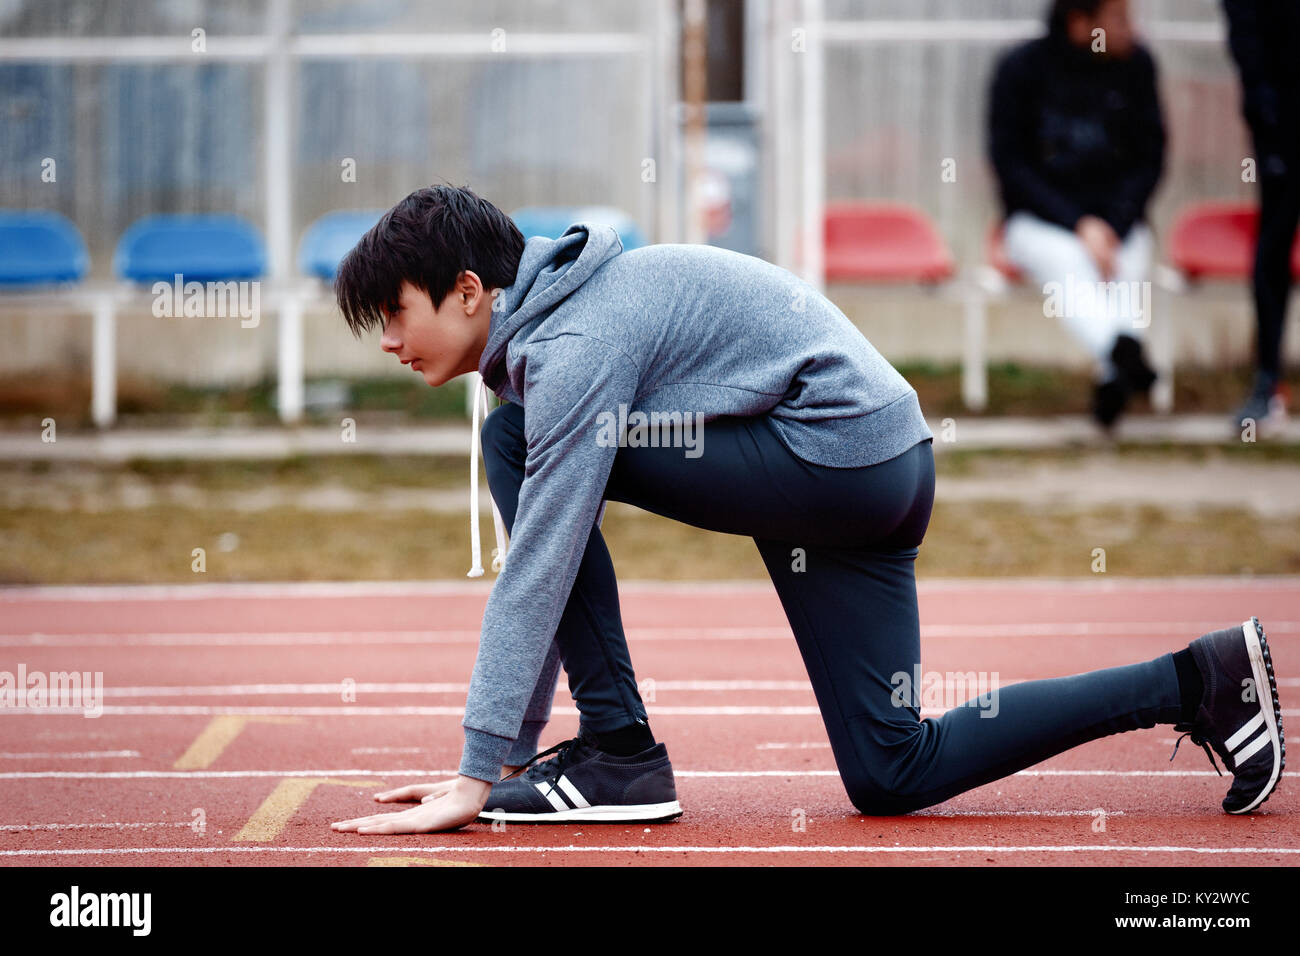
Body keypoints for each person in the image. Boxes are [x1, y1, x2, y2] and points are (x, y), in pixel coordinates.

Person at [329, 184, 1283, 834]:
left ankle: (618, 753)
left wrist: (477, 766)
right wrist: (500, 761)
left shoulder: (576, 340)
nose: (388, 342)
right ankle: (1195, 680)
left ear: (466, 292)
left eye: (395, 314)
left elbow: (542, 552)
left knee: (517, 445)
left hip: (836, 462)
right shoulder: (558, 334)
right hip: (875, 471)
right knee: (892, 771)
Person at [989, 0, 1164, 429]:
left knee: (1126, 265)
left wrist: (1112, 226)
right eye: (1118, 19)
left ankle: (1116, 370)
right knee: (1069, 262)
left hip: (1119, 225)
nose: (1130, 30)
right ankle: (1124, 355)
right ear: (1080, 22)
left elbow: (1150, 159)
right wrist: (1078, 225)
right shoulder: (1020, 69)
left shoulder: (1137, 67)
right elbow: (1010, 166)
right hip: (1038, 225)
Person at [1222, 0, 1299, 434]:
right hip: (1281, 122)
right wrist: (1265, 118)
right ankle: (1268, 384)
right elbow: (1246, 43)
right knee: (1273, 246)